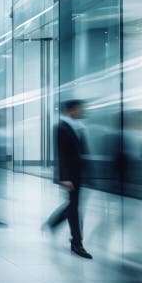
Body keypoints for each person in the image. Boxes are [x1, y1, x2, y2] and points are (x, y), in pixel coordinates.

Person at [44, 99, 92, 259]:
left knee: (73, 205)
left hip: (79, 173)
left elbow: (83, 152)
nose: (82, 111)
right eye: (79, 109)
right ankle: (76, 242)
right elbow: (61, 154)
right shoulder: (61, 127)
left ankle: (54, 223)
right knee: (74, 207)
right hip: (70, 175)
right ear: (71, 110)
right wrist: (63, 178)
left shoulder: (78, 126)